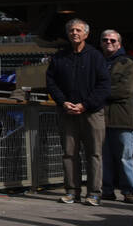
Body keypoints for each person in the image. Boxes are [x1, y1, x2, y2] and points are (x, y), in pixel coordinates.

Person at [44, 18, 110, 206]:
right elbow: (51, 82)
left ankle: (94, 193)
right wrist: (63, 102)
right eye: (72, 30)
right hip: (67, 112)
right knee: (69, 153)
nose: (75, 33)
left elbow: (104, 85)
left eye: (79, 30)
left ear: (86, 34)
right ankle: (72, 192)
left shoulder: (96, 57)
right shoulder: (59, 57)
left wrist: (85, 105)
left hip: (91, 113)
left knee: (94, 154)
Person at [99, 30, 133, 203]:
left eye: (113, 40)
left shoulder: (127, 63)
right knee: (105, 158)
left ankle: (129, 191)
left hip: (122, 118)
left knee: (124, 157)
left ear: (119, 43)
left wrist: (99, 93)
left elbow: (125, 90)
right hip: (101, 117)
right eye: (105, 40)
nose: (109, 42)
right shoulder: (97, 62)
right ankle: (107, 190)